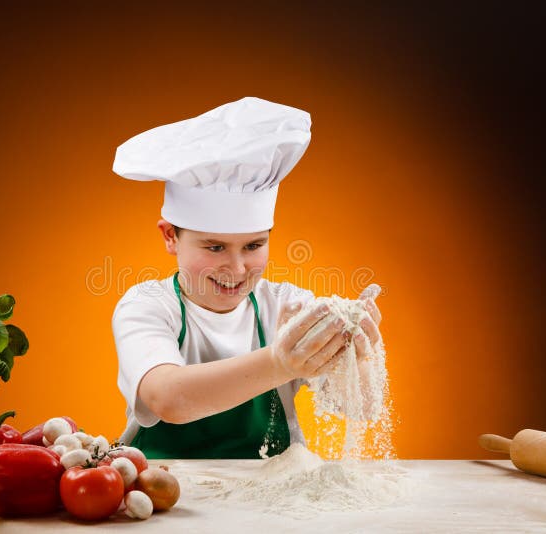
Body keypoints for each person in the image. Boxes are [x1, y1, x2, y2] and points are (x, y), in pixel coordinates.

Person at [111, 97, 383, 459]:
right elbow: (168, 399)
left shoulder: (286, 306)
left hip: (271, 492)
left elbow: (360, 408)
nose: (237, 269)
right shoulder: (148, 306)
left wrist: (358, 355)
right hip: (166, 490)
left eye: (254, 245)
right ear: (169, 237)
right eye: (215, 248)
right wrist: (279, 364)